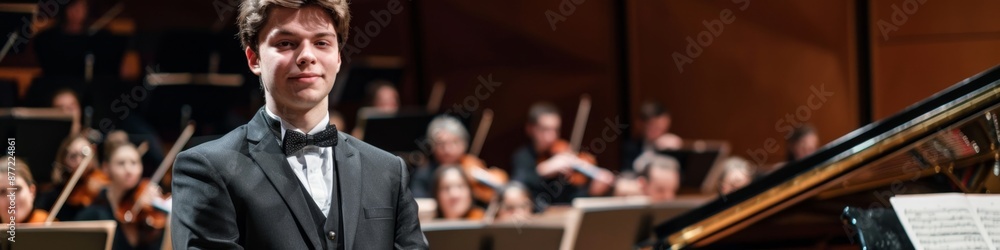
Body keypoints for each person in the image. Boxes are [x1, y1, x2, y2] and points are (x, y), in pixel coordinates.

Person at [170, 1, 426, 249]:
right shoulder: (207, 169)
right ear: (254, 58)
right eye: (286, 43)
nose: (306, 56)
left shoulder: (389, 171)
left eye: (321, 43)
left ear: (338, 57)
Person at [511, 103, 614, 210]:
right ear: (530, 129)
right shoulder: (522, 157)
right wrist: (541, 171)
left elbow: (573, 199)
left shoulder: (564, 156)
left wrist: (592, 192)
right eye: (545, 129)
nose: (551, 136)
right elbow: (518, 186)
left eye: (556, 130)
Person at [76, 143, 166, 250]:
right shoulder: (94, 214)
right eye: (121, 163)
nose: (129, 170)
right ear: (106, 168)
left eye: (134, 163)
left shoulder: (146, 213)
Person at [35, 133, 109, 222]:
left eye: (84, 155)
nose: (79, 161)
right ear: (64, 160)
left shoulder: (102, 188)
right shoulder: (54, 195)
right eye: (73, 156)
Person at [622, 100, 683, 172]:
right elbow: (628, 171)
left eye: (663, 129)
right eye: (655, 127)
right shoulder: (631, 146)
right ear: (640, 124)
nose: (660, 132)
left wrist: (677, 150)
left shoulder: (672, 145)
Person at [1, 156, 50, 224]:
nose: (10, 199)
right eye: (2, 192)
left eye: (17, 189)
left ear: (32, 191)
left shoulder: (47, 223)